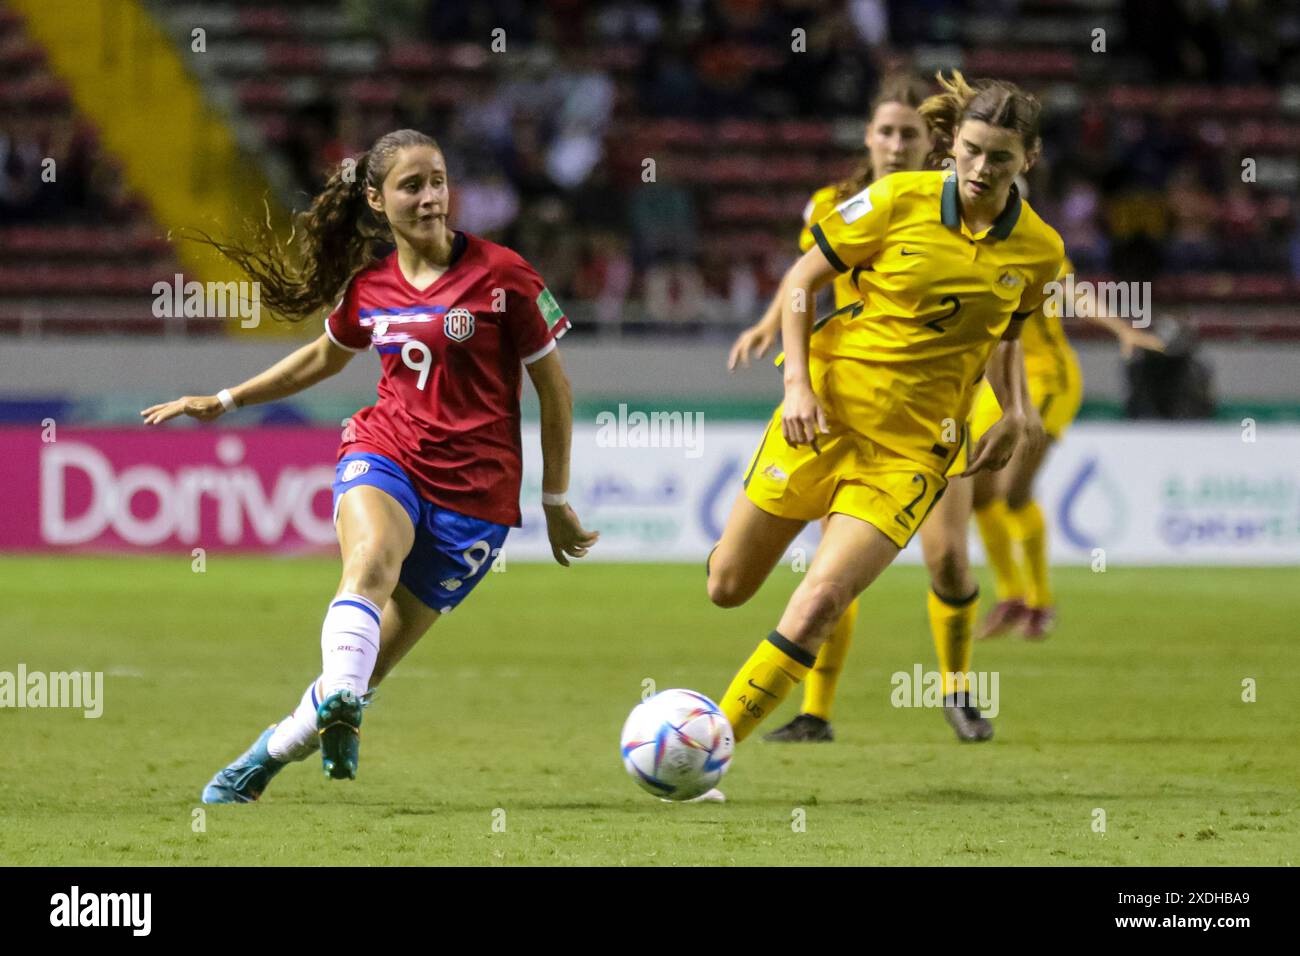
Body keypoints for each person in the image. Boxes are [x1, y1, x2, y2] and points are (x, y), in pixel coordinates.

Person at [141, 129, 598, 802]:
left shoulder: (505, 277)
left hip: (477, 500)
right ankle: (343, 714)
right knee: (372, 561)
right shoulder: (371, 288)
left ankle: (267, 754)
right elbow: (325, 357)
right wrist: (228, 398)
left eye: (438, 181)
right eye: (412, 186)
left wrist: (556, 500)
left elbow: (555, 392)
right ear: (378, 202)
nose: (431, 197)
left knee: (362, 669)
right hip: (388, 453)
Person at [707, 72, 1064, 753]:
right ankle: (778, 694)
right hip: (826, 416)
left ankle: (707, 750)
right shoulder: (897, 200)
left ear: (1030, 159)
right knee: (728, 585)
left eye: (1000, 157)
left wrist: (1015, 410)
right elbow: (801, 281)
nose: (981, 169)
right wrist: (797, 389)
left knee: (824, 597)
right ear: (951, 144)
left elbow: (1008, 332)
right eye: (971, 150)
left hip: (914, 451)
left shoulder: (1040, 251)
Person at [973, 255, 1164, 639]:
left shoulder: (1034, 245)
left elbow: (1073, 295)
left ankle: (1040, 602)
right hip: (996, 381)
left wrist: (1121, 330)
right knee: (976, 489)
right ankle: (1010, 596)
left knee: (1013, 492)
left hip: (1047, 380)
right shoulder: (960, 247)